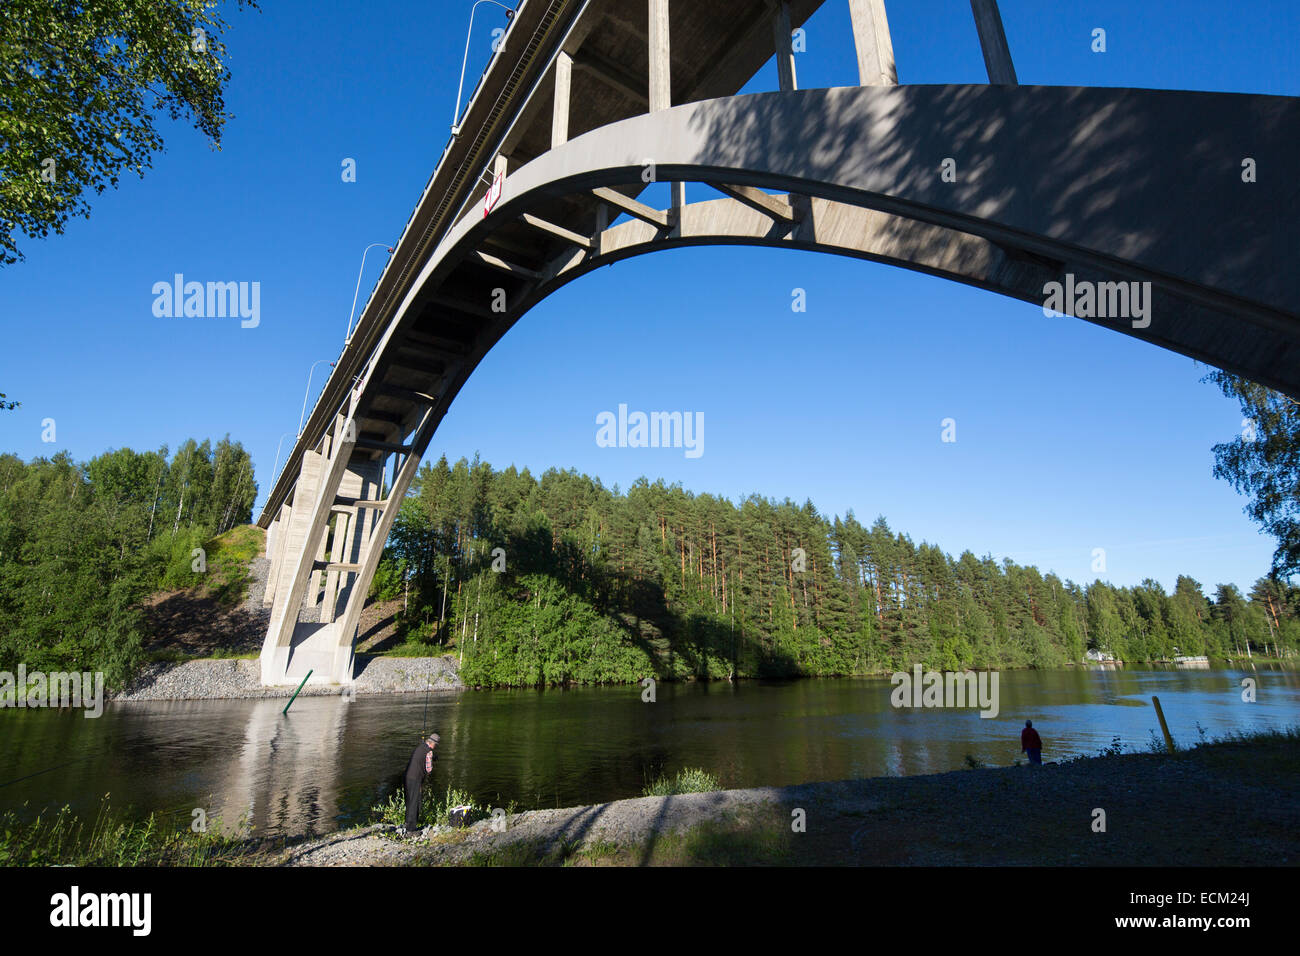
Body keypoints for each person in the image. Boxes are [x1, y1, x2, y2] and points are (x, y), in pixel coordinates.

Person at [398, 732, 440, 835]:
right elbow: (429, 769)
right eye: (435, 745)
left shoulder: (421, 746)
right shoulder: (429, 752)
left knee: (409, 800)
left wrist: (430, 757)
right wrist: (431, 758)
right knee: (415, 802)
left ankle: (407, 823)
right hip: (416, 778)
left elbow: (421, 758)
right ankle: (411, 829)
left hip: (407, 776)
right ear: (433, 744)